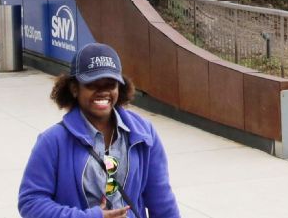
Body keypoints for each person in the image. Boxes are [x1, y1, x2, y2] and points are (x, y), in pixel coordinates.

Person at [18, 43, 181, 218]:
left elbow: (161, 199)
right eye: (92, 84)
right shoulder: (52, 141)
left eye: (110, 84)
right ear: (74, 89)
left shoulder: (144, 134)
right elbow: (31, 202)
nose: (103, 92)